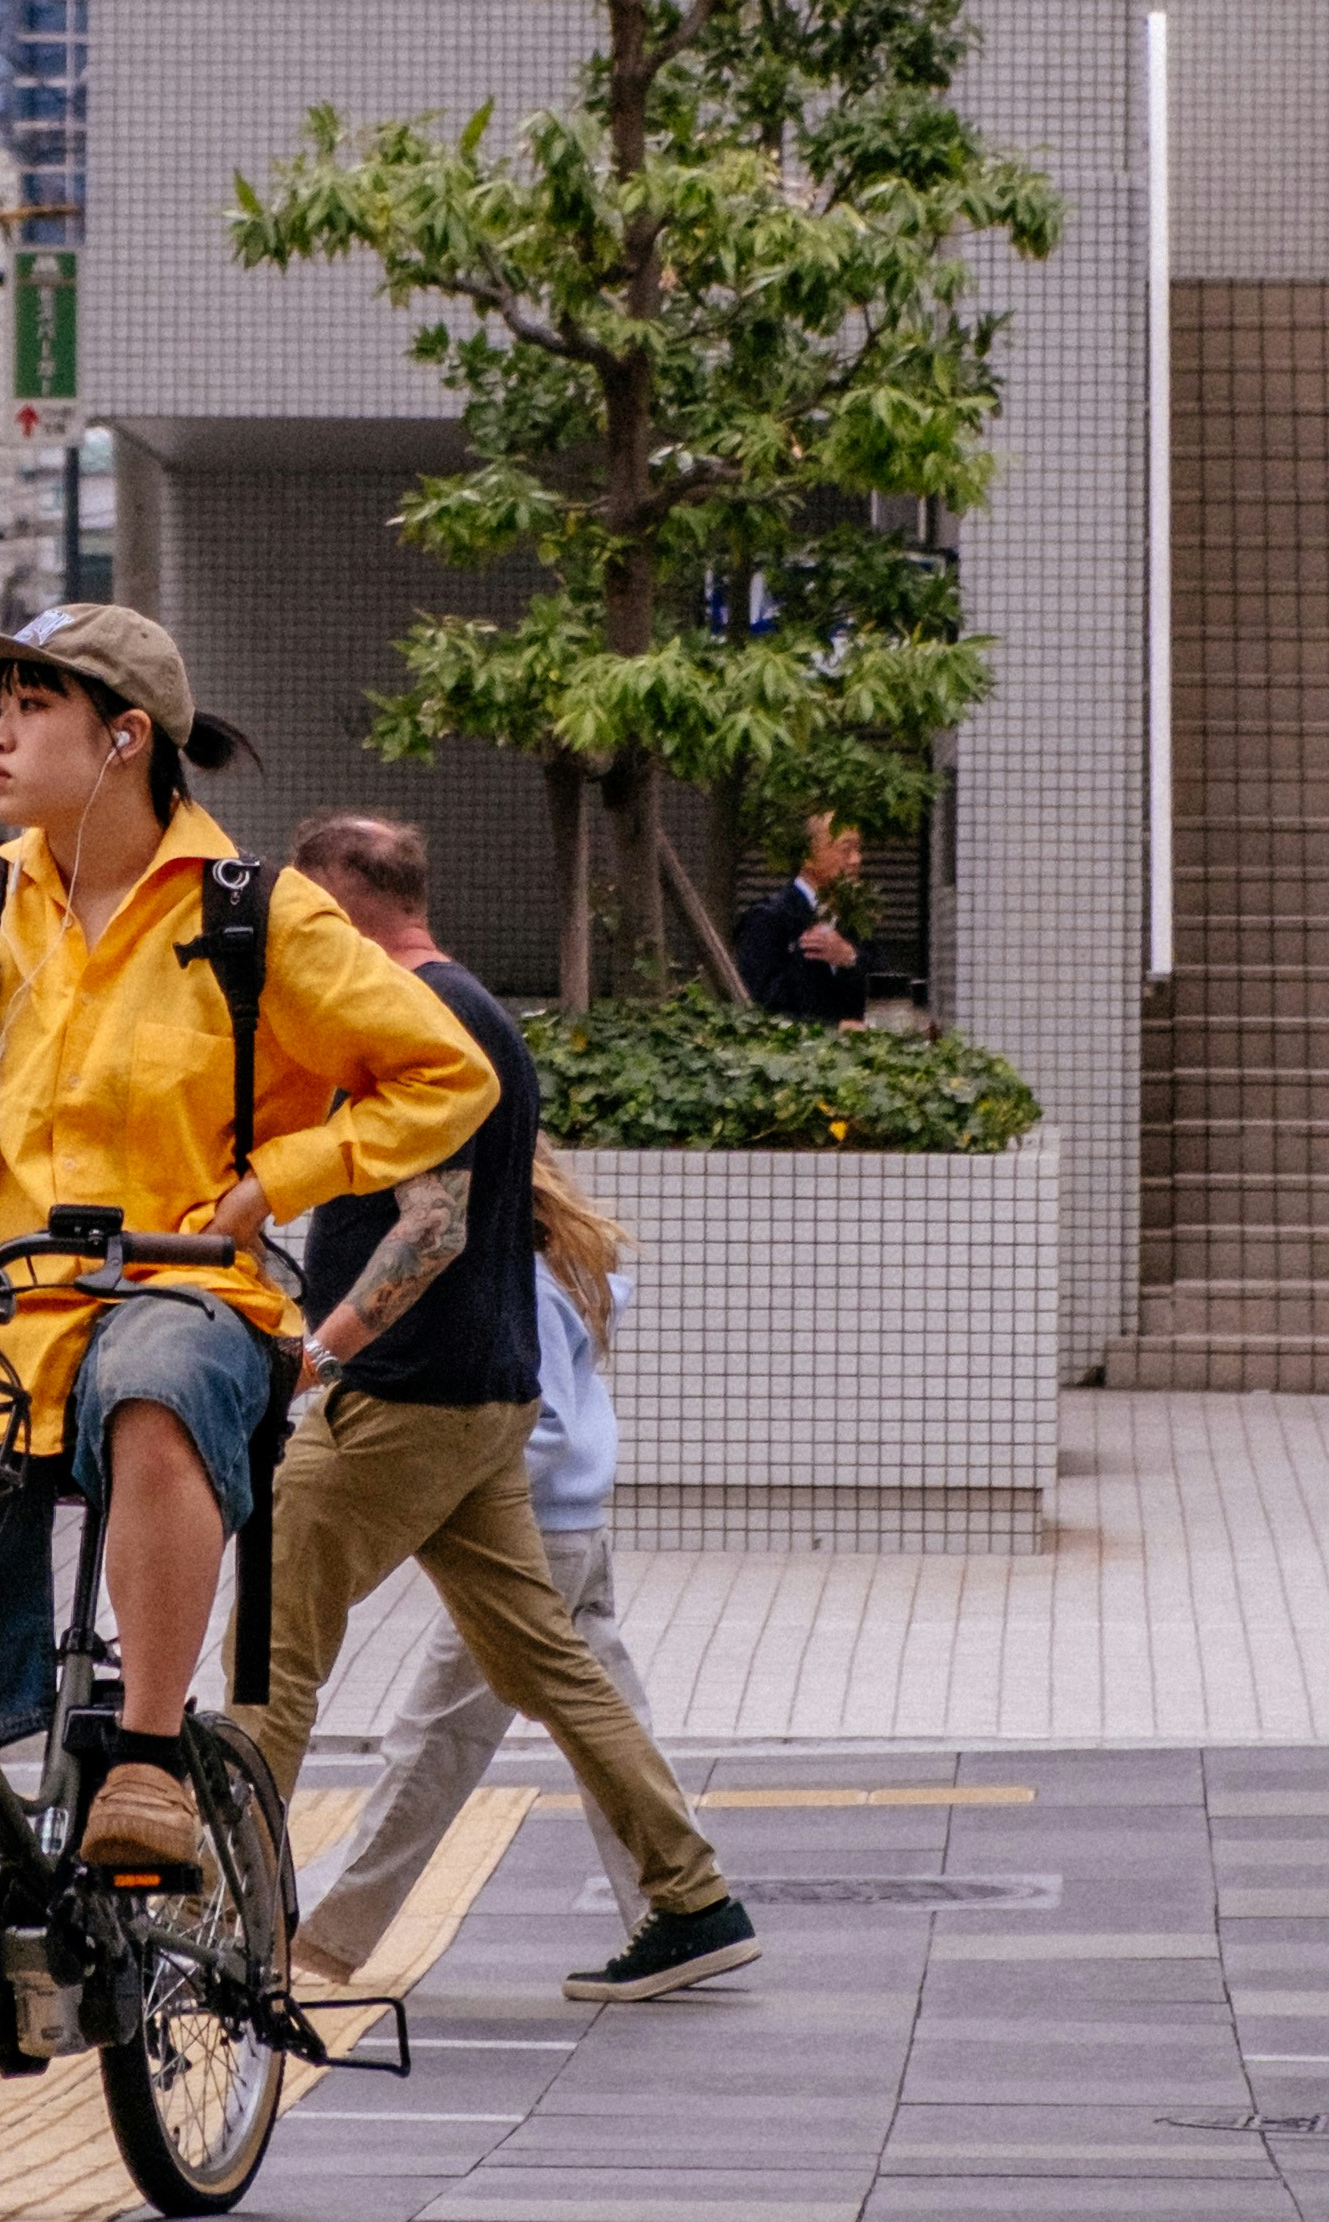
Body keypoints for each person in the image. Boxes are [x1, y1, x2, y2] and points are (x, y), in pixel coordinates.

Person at [0, 602, 504, 2199]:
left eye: (29, 701)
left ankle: (141, 1752)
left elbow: (441, 1075)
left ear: (122, 732)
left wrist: (278, 1179)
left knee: (151, 1376)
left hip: (180, 1286)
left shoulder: (255, 914)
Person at [233, 813, 755, 2006]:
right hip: (483, 1402)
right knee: (556, 1669)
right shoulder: (473, 1006)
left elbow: (433, 1224)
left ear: (343, 904)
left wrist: (319, 1352)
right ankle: (690, 1896)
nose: (294, 939)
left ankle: (227, 1921)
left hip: (402, 1398)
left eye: (304, 914)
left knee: (270, 1651)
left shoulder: (418, 1014)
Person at [300, 1130, 656, 1983]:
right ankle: (680, 1905)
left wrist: (437, 1479)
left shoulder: (520, 1287)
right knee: (611, 1731)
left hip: (529, 1536)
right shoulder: (543, 1274)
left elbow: (548, 1424)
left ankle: (323, 1942)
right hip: (567, 1531)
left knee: (432, 1741)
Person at [732, 808, 872, 1020]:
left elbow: (882, 988)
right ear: (808, 856)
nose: (856, 860)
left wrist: (849, 958)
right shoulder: (769, 918)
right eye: (846, 849)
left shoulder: (855, 919)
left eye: (858, 849)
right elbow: (763, 1005)